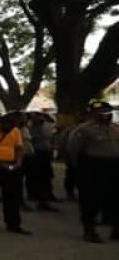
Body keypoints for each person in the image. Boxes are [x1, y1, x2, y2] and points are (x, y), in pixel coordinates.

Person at [66, 100, 119, 243]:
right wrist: (78, 167)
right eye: (102, 113)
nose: (106, 116)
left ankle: (115, 228)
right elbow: (73, 150)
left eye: (108, 113)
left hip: (113, 166)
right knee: (90, 199)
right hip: (92, 166)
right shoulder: (83, 130)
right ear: (93, 114)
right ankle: (89, 230)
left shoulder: (115, 128)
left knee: (114, 198)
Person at [26, 111, 58, 210]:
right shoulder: (28, 127)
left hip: (45, 153)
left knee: (47, 175)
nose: (38, 119)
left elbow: (52, 138)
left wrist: (52, 147)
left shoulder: (48, 126)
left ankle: (48, 194)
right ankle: (34, 195)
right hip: (33, 153)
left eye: (40, 116)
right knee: (33, 176)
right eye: (35, 117)